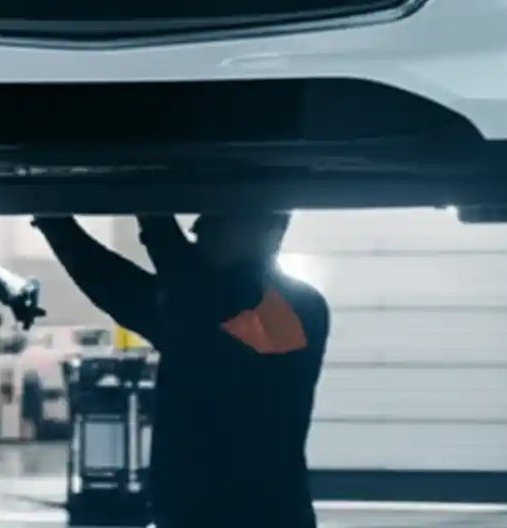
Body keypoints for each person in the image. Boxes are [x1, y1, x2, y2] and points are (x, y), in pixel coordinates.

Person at [31, 212, 331, 528]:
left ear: (269, 233)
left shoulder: (294, 310)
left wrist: (153, 218)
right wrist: (55, 222)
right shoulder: (192, 310)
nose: (198, 234)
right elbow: (110, 282)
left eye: (216, 223)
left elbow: (207, 299)